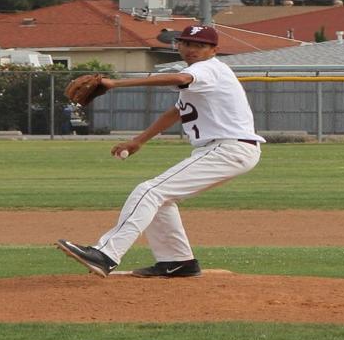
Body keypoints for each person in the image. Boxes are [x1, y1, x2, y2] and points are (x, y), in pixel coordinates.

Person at [56, 25, 263, 277]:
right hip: (223, 149)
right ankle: (177, 262)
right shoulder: (201, 73)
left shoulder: (208, 68)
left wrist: (115, 83)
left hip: (229, 148)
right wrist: (139, 140)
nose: (191, 49)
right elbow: (176, 111)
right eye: (186, 43)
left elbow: (179, 79)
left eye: (199, 45)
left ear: (214, 50)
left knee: (149, 191)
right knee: (160, 199)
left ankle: (105, 254)